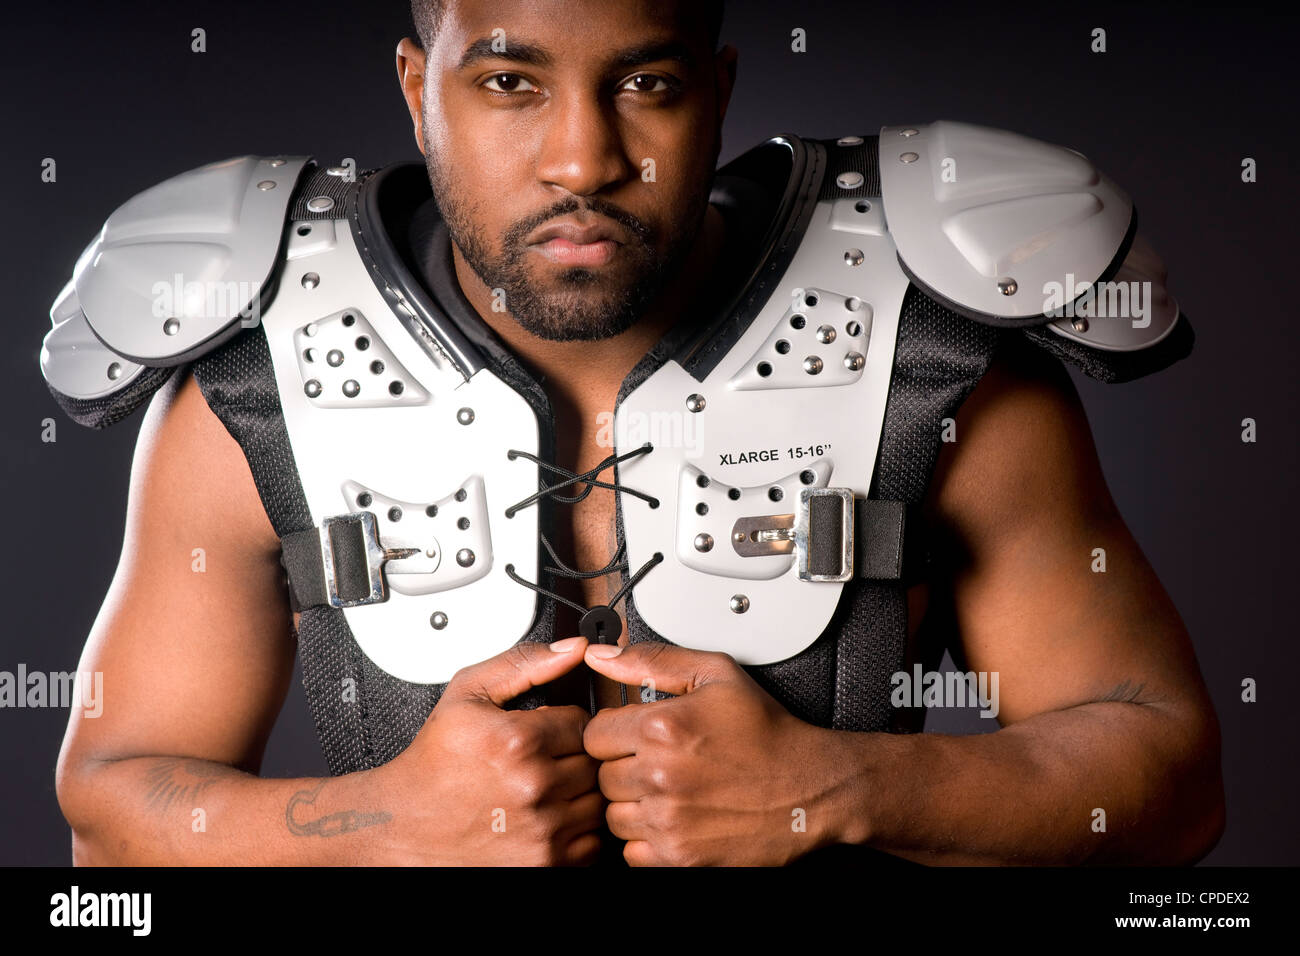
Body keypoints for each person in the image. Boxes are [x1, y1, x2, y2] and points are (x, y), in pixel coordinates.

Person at [46, 0, 1224, 866]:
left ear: (717, 86)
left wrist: (844, 783)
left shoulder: (937, 359)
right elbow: (111, 804)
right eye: (509, 83)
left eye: (645, 83)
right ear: (418, 87)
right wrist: (384, 824)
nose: (583, 161)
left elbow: (1170, 781)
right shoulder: (259, 382)